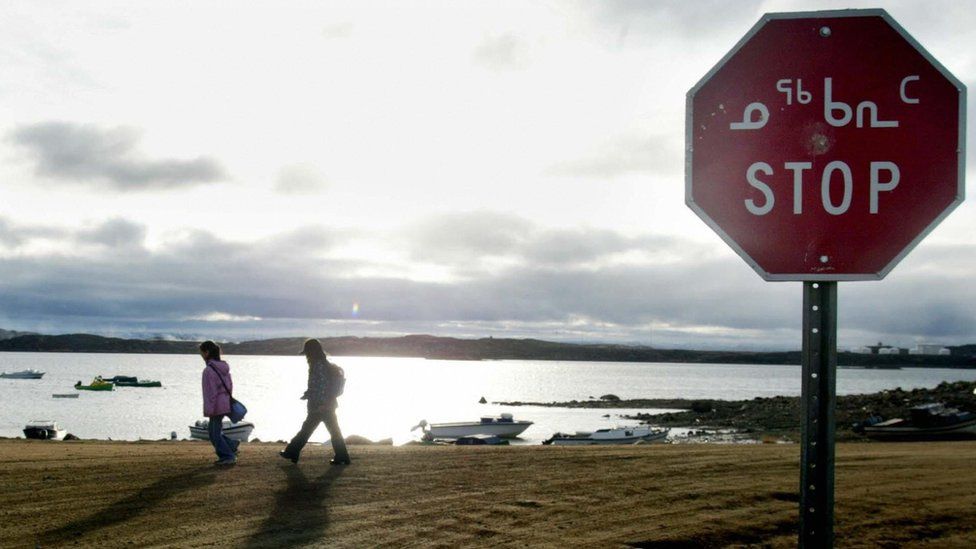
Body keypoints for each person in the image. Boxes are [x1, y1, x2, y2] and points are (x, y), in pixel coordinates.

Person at [280, 338, 350, 465]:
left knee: (307, 429)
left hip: (320, 404)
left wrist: (322, 404)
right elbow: (319, 385)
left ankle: (292, 451)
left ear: (311, 352)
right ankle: (342, 456)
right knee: (330, 430)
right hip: (327, 403)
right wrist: (308, 394)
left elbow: (321, 386)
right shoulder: (323, 364)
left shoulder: (317, 365)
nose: (306, 355)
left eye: (307, 352)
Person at [200, 340, 240, 465]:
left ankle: (228, 456)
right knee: (213, 432)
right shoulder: (224, 368)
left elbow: (210, 392)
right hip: (224, 403)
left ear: (206, 353)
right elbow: (230, 386)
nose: (201, 356)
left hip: (216, 405)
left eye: (201, 353)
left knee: (214, 434)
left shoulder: (208, 371)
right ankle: (231, 445)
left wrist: (209, 410)